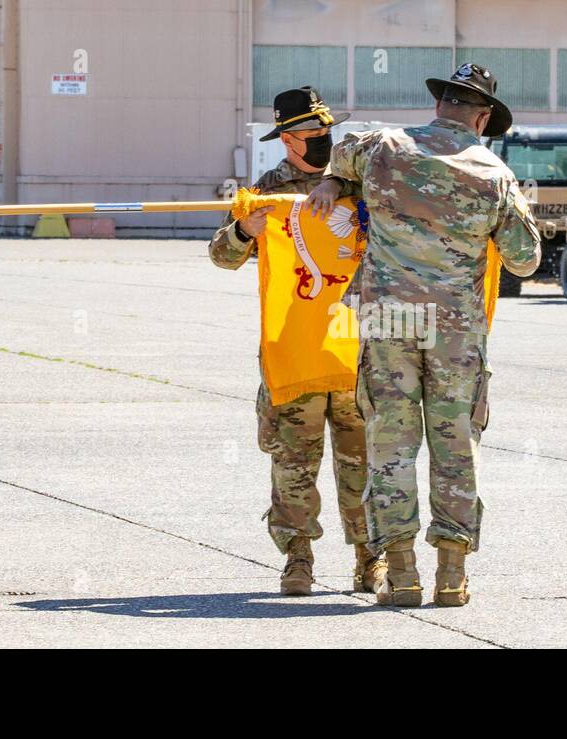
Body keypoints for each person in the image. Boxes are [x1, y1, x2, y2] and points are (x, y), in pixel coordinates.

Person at [306, 64, 541, 607]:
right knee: (455, 443)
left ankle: (403, 574)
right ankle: (451, 576)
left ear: (440, 106)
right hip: (455, 330)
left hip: (390, 319)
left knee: (390, 442)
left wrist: (333, 182)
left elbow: (342, 150)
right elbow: (526, 261)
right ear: (482, 118)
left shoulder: (383, 147)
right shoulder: (492, 171)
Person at [209, 87, 387, 596]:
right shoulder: (267, 190)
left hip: (354, 348)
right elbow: (221, 257)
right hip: (293, 350)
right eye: (312, 133)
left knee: (363, 461)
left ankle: (369, 558)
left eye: (327, 130)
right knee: (293, 463)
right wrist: (244, 230)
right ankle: (298, 560)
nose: (324, 139)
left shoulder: (361, 184)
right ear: (288, 139)